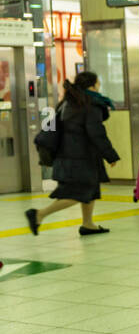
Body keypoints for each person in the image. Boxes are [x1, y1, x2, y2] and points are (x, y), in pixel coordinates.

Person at [25, 71, 119, 236]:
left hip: (68, 154)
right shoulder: (91, 104)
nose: (99, 86)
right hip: (80, 157)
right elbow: (96, 132)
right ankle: (39, 214)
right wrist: (110, 155)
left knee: (91, 188)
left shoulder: (69, 101)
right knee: (78, 193)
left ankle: (88, 224)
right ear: (92, 85)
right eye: (98, 83)